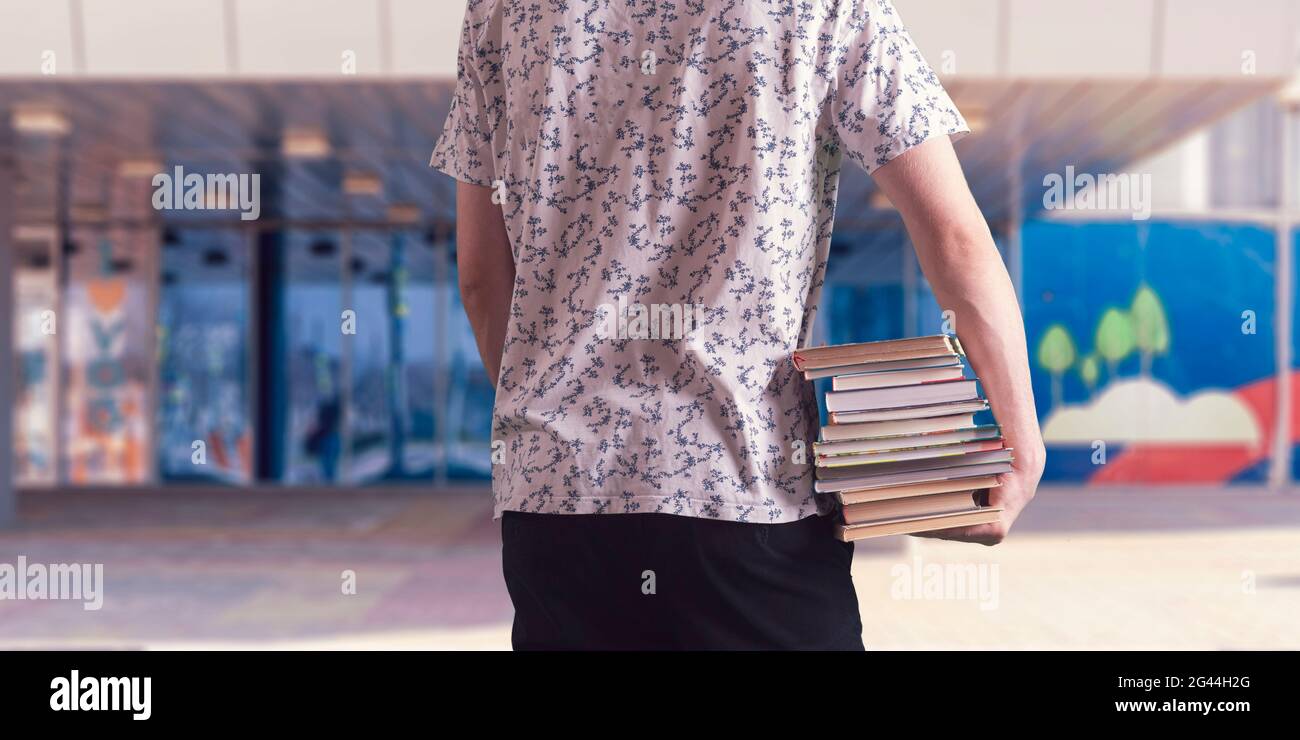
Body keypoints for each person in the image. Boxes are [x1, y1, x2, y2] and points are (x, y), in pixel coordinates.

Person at [432, 0, 1045, 650]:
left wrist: (556, 434)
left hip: (558, 511)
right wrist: (1020, 442)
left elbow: (480, 276)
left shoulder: (501, 11)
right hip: (751, 498)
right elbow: (953, 237)